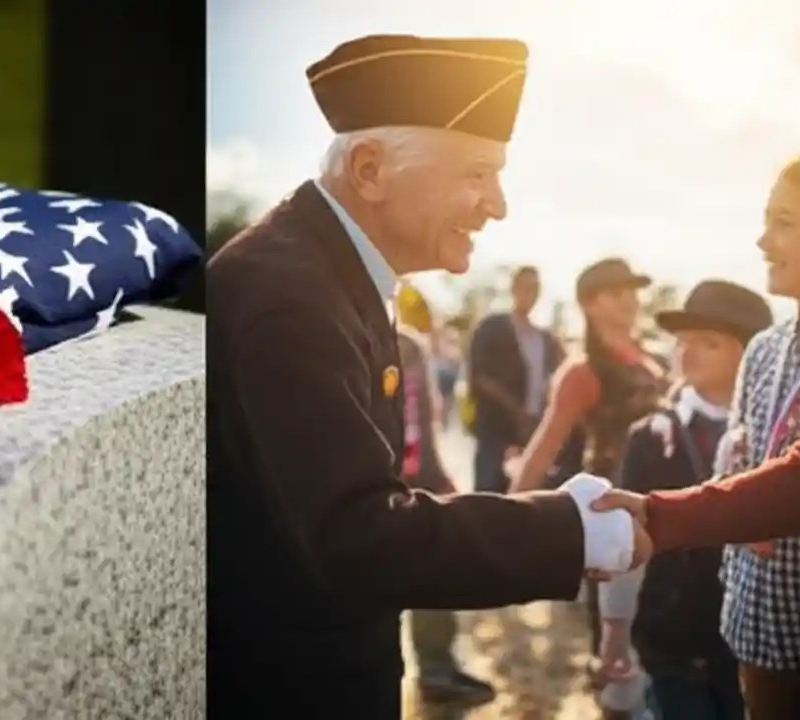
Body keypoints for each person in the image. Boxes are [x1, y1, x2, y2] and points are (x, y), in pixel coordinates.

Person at [207, 34, 647, 718]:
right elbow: (357, 539)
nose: (496, 204)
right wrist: (572, 529)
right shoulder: (290, 299)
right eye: (476, 173)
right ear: (371, 169)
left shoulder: (319, 271)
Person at [592, 148, 800, 719]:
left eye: (784, 223)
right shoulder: (764, 348)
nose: (762, 242)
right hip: (753, 625)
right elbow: (742, 470)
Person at [596, 280, 772, 720]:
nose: (687, 352)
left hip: (757, 643)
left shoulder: (777, 437)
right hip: (670, 639)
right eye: (682, 341)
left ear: (753, 355)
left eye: (708, 343)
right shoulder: (652, 437)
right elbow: (625, 543)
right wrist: (615, 628)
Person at [505, 257, 672, 669]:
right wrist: (509, 515)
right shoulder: (581, 371)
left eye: (633, 291)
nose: (630, 300)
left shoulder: (654, 361)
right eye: (617, 292)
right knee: (616, 633)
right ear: (590, 304)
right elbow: (546, 445)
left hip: (663, 505)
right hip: (613, 510)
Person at [393, 292, 495, 707]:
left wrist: (439, 475)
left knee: (432, 575)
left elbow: (419, 424)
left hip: (416, 481)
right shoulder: (351, 338)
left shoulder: (408, 347)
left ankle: (436, 670)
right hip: (383, 485)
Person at [467, 265, 565, 492]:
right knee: (488, 495)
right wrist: (516, 411)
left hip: (532, 430)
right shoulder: (492, 328)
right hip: (496, 429)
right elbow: (480, 377)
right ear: (514, 289)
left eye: (536, 287)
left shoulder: (544, 337)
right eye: (526, 286)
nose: (531, 293)